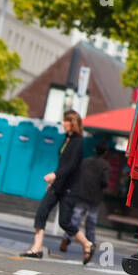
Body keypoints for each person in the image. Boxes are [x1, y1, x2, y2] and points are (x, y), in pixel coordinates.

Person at [20, 110, 94, 263]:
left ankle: (87, 244)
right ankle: (37, 248)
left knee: (64, 222)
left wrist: (55, 175)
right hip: (57, 185)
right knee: (41, 212)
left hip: (69, 188)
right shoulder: (67, 139)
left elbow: (72, 165)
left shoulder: (78, 141)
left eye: (65, 121)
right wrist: (54, 179)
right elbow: (63, 163)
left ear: (71, 123)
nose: (62, 124)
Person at [59, 142, 109, 257]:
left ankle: (66, 239)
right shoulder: (105, 165)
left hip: (81, 194)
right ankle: (89, 245)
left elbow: (77, 175)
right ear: (105, 152)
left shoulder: (85, 161)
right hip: (95, 198)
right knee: (91, 223)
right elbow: (105, 182)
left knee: (75, 219)